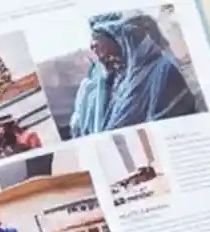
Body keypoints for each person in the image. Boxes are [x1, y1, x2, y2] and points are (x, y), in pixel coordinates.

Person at [68, 12, 199, 138]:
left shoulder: (162, 70)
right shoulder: (111, 81)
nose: (102, 59)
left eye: (111, 56)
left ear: (125, 42)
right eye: (94, 49)